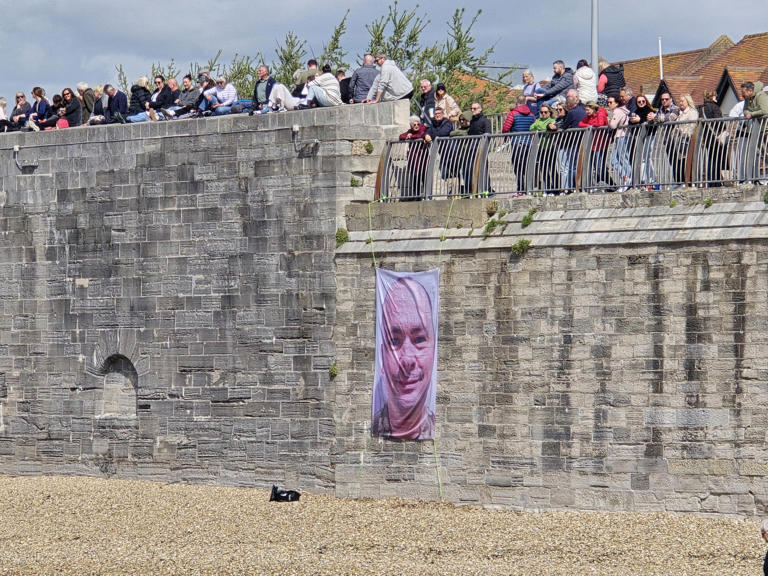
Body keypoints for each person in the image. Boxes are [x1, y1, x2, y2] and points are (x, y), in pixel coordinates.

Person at [372, 274, 438, 440]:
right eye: (394, 341)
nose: (407, 360)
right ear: (382, 356)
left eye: (419, 339)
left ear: (433, 352)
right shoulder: (372, 426)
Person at [579, 101, 609, 188]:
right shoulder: (589, 117)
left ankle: (609, 184)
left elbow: (600, 123)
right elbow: (580, 123)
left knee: (600, 167)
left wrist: (590, 125)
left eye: (588, 110)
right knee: (597, 167)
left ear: (593, 108)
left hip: (601, 144)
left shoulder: (601, 113)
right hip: (594, 145)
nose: (586, 112)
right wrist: (589, 125)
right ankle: (603, 184)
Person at [398, 116, 429, 200]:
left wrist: (411, 137)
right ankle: (416, 196)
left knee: (423, 177)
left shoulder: (423, 128)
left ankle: (427, 196)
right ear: (411, 125)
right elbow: (401, 136)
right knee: (415, 178)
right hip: (414, 160)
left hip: (422, 159)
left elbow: (421, 135)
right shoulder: (410, 131)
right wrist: (406, 136)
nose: (416, 126)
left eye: (417, 124)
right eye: (414, 124)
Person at [608, 95, 632, 192]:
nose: (608, 104)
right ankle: (625, 178)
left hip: (621, 136)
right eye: (608, 102)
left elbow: (613, 125)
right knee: (614, 160)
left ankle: (629, 179)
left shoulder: (617, 111)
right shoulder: (620, 111)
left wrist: (609, 121)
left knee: (623, 159)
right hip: (619, 136)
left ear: (617, 103)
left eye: (611, 102)